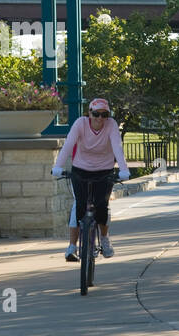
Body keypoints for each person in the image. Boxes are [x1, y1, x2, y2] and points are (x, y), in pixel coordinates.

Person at [52, 98, 130, 261]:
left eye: (104, 115)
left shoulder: (111, 125)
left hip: (104, 170)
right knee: (79, 205)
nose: (100, 118)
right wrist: (58, 167)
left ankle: (105, 239)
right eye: (96, 114)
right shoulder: (80, 124)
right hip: (81, 169)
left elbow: (117, 147)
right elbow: (68, 145)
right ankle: (72, 247)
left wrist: (124, 170)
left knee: (102, 205)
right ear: (89, 113)